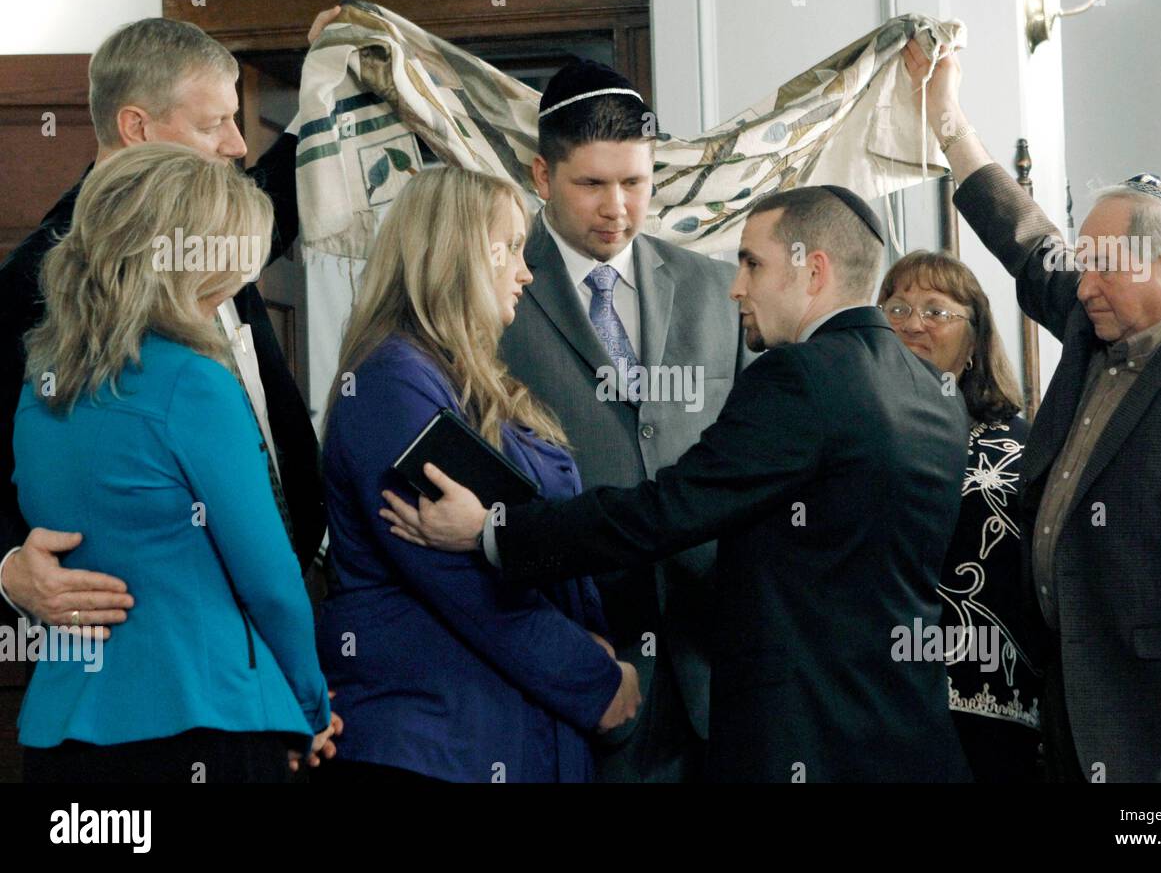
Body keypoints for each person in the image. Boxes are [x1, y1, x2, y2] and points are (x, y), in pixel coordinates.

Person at [393, 185, 973, 783]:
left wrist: (496, 531)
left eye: (753, 263)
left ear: (814, 270)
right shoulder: (938, 394)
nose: (735, 287)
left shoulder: (800, 376)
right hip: (915, 737)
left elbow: (667, 509)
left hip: (807, 742)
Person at [904, 38, 1161, 782]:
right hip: (1070, 701)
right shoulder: (1099, 311)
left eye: (1101, 270)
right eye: (1082, 267)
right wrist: (948, 119)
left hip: (1157, 718)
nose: (1081, 287)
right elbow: (1023, 237)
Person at [0, 11, 339, 638]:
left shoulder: (211, 226)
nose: (238, 145)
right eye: (215, 124)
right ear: (137, 126)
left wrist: (329, 72)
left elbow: (274, 199)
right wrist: (9, 570)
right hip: (146, 638)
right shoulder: (34, 279)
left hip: (287, 600)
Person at [462, 59, 749, 782]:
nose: (617, 206)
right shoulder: (484, 292)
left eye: (636, 183)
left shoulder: (718, 290)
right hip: (567, 660)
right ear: (540, 175)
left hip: (713, 667)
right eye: (591, 184)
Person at [14, 143, 335, 783]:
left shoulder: (42, 382)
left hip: (60, 736)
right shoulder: (193, 381)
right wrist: (310, 705)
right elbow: (271, 581)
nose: (245, 277)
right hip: (199, 723)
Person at [316, 167, 640, 783]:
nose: (525, 272)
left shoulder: (469, 381)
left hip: (494, 737)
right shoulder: (391, 381)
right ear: (456, 252)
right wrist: (592, 677)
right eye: (511, 248)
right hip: (430, 745)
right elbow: (465, 585)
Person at [878, 250, 1043, 782]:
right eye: (897, 309)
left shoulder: (1021, 450)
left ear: (974, 341)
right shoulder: (849, 432)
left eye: (935, 310)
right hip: (872, 701)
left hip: (990, 705)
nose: (912, 324)